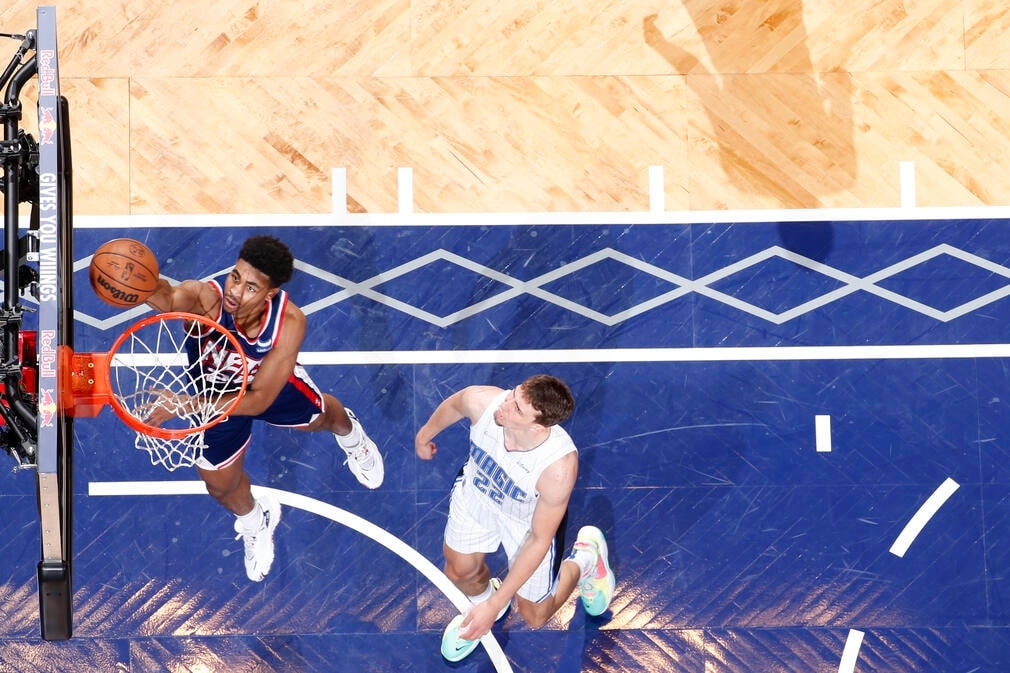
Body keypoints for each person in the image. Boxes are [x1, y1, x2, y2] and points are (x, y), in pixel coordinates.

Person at [143, 235, 384, 582]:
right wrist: (136, 286)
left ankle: (352, 437)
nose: (236, 292)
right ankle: (257, 521)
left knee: (319, 419)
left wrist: (185, 405)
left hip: (267, 386)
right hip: (214, 395)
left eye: (251, 287)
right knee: (221, 486)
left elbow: (259, 400)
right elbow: (168, 295)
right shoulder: (205, 299)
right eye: (235, 277)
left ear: (270, 294)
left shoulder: (288, 323)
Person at [414, 374, 615, 662]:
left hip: (525, 525)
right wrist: (424, 436)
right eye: (513, 394)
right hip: (476, 497)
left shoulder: (557, 467)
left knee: (535, 616)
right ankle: (480, 610)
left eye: (518, 409)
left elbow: (539, 539)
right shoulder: (483, 401)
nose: (505, 405)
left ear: (538, 425)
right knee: (459, 573)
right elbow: (456, 405)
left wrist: (497, 603)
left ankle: (585, 559)